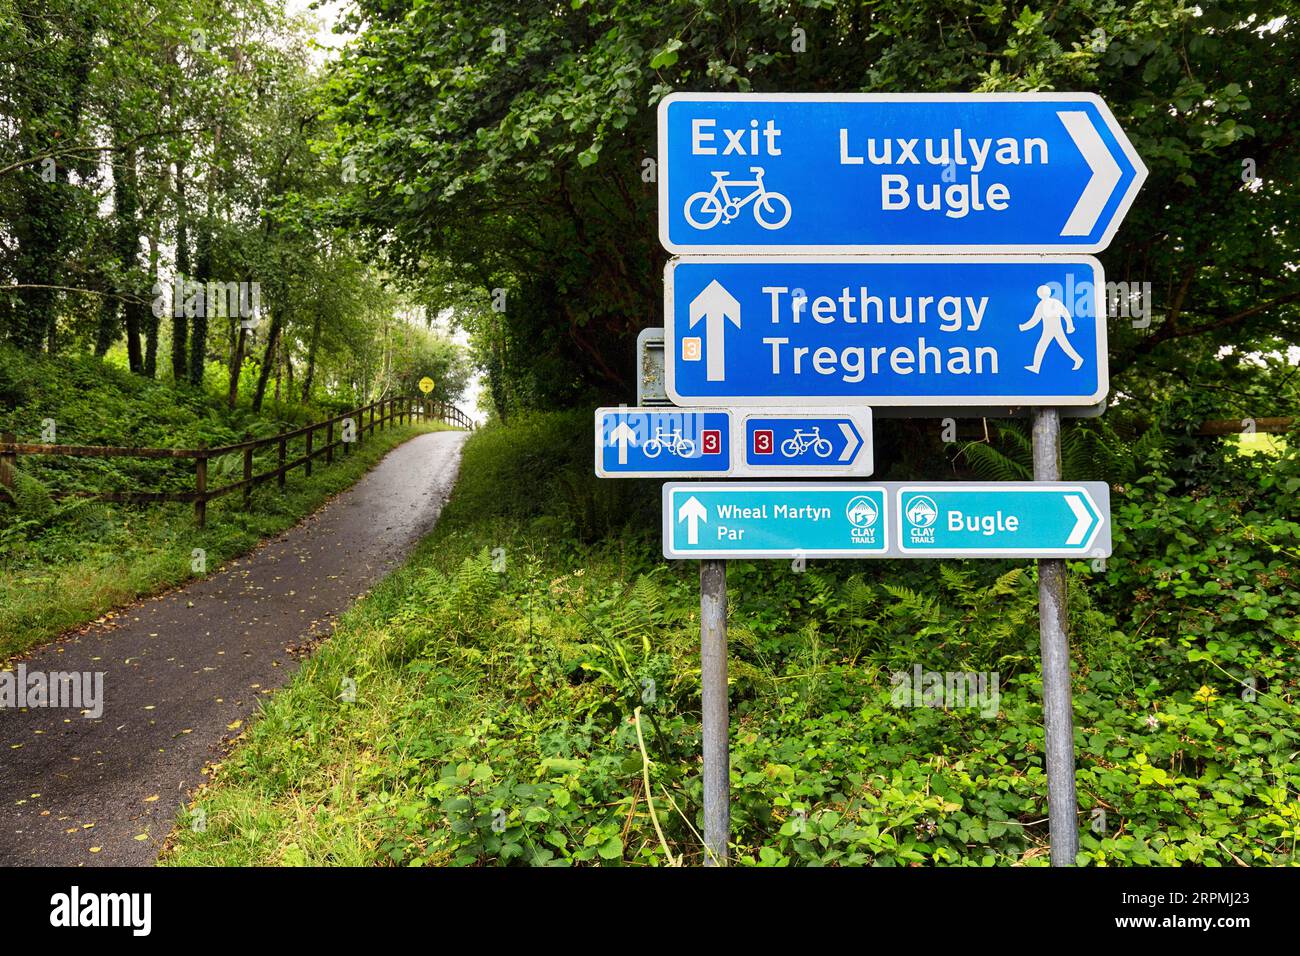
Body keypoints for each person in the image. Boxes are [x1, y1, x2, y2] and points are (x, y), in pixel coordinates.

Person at [1020, 284, 1084, 373]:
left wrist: (1023, 327)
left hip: (1052, 329)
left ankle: (1036, 367)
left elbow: (1035, 320)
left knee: (1045, 345)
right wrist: (1070, 325)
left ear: (1040, 294)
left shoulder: (1042, 305)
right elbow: (1065, 314)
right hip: (1051, 329)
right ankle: (1036, 367)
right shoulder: (1055, 302)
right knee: (1059, 345)